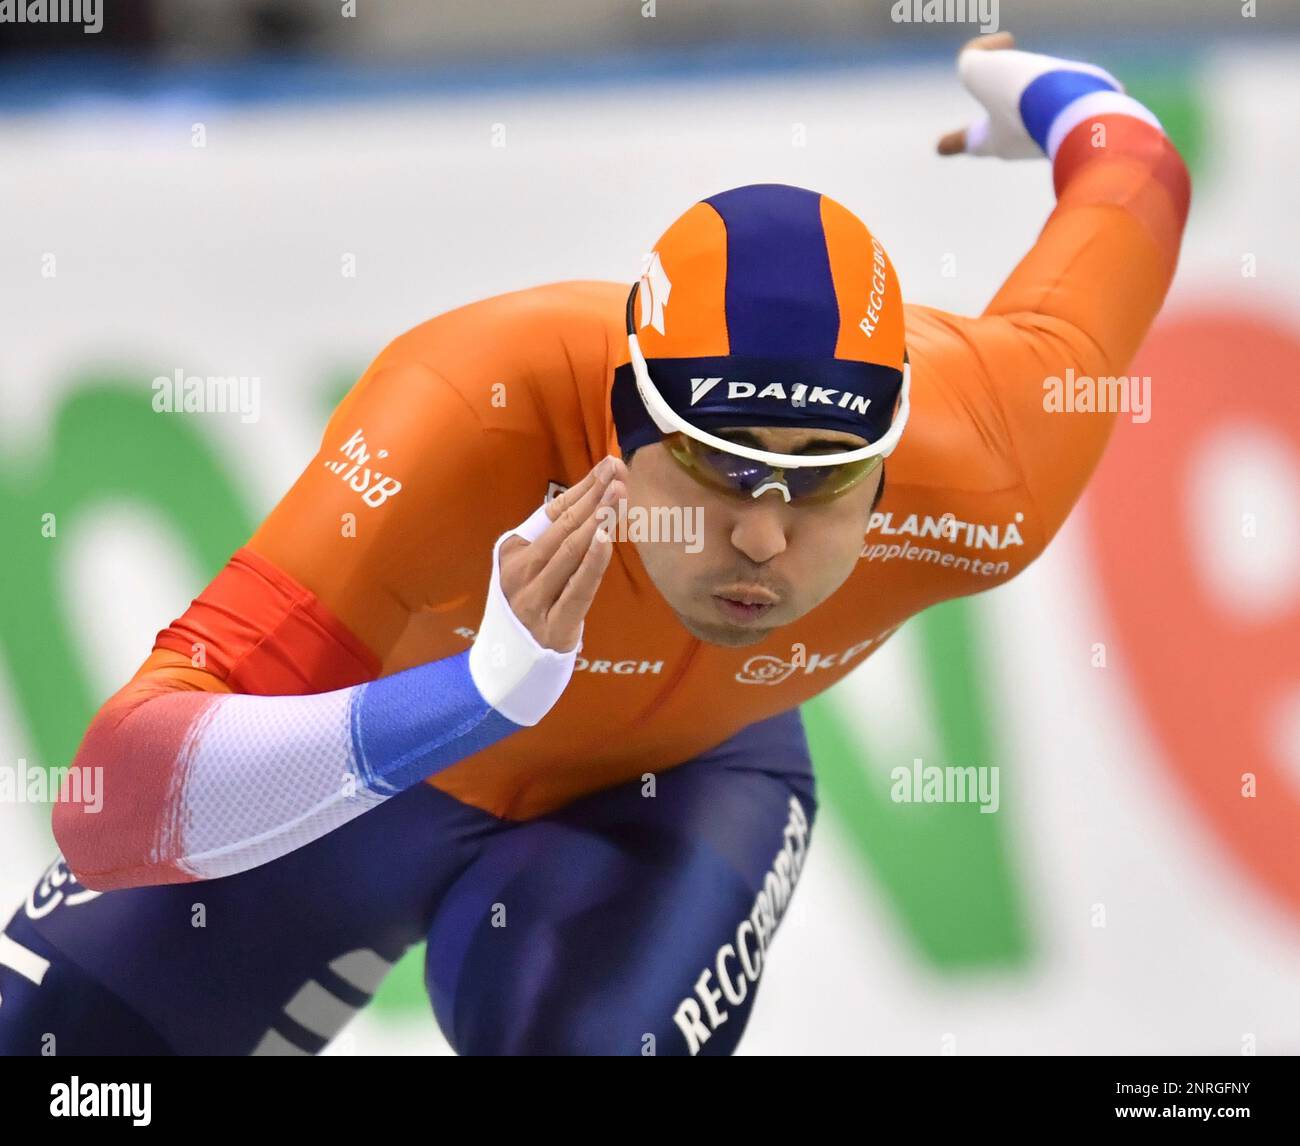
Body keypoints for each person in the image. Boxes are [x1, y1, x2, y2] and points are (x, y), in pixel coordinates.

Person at [0, 34, 1189, 1056]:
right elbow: (112, 801)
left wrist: (1025, 85)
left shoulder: (988, 462)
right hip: (355, 769)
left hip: (671, 794)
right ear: (622, 434)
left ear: (886, 458)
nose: (764, 537)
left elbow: (1131, 166)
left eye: (823, 483)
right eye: (719, 467)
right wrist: (475, 695)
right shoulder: (468, 410)